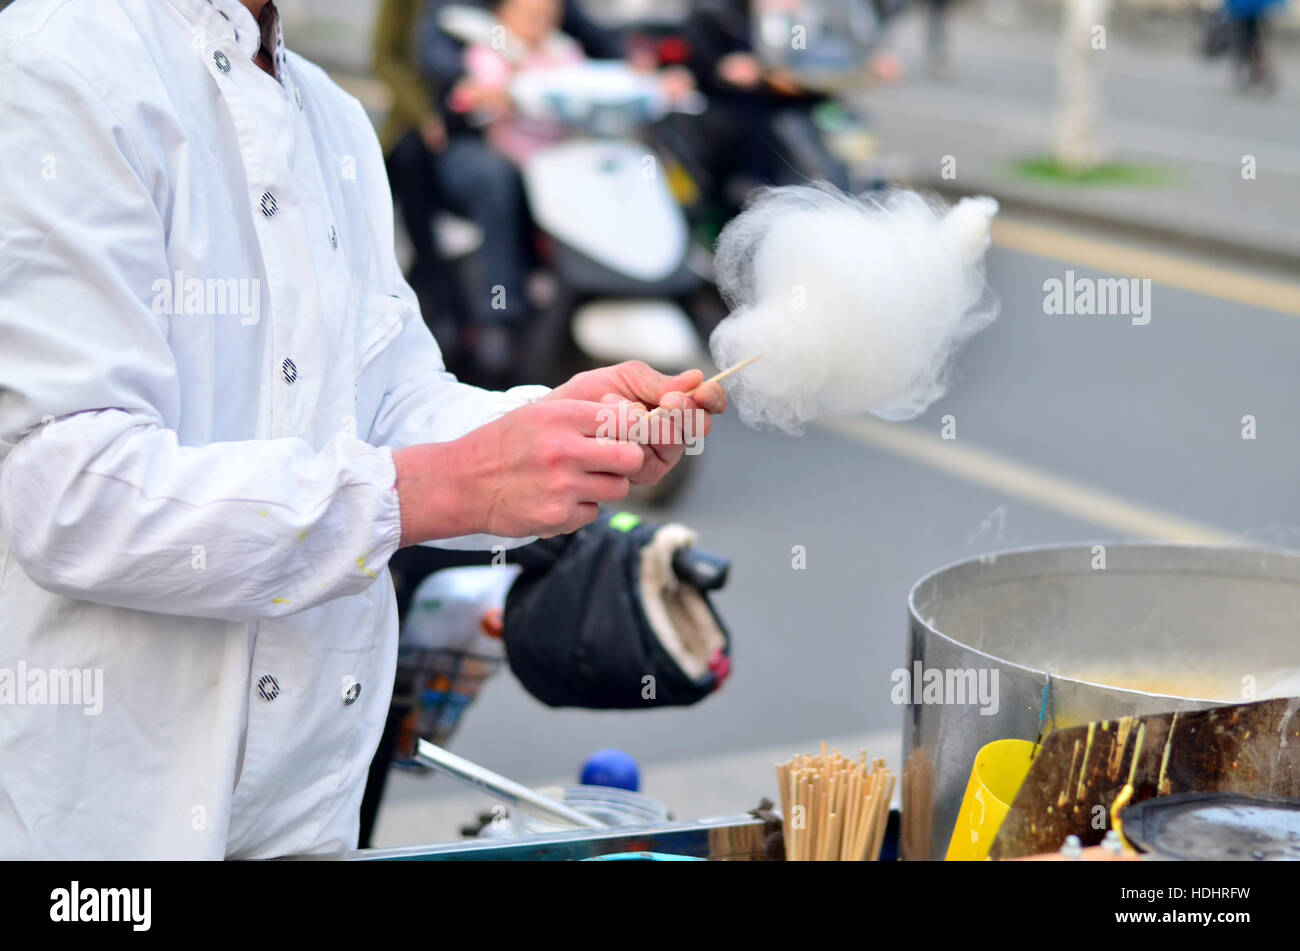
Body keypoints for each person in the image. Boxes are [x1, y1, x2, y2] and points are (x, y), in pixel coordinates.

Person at [0, 0, 725, 859]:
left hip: (309, 802)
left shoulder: (333, 117)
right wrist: (440, 487)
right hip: (112, 819)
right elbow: (74, 494)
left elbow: (390, 402)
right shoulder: (55, 63)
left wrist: (549, 423)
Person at [673, 0, 850, 210]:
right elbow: (703, 60)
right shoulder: (715, 14)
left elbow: (809, 60)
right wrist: (721, 68)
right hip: (737, 114)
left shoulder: (800, 18)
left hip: (792, 110)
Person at [460, 0, 586, 167]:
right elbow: (487, 99)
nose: (538, 19)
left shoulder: (565, 48)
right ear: (504, 12)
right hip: (515, 150)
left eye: (546, 14)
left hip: (567, 145)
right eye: (530, 13)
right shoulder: (494, 44)